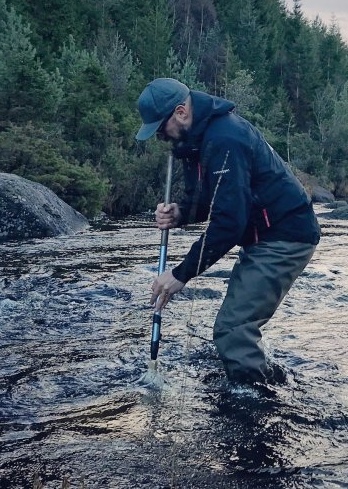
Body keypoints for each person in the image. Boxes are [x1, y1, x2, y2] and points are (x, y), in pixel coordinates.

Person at [135, 78, 320, 384]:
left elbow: (229, 222)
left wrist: (181, 274)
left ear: (181, 113)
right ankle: (266, 378)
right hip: (263, 236)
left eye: (159, 128)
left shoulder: (225, 139)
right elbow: (208, 201)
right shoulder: (193, 142)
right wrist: (178, 214)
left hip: (285, 236)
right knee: (234, 329)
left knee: (232, 332)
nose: (159, 137)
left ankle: (256, 403)